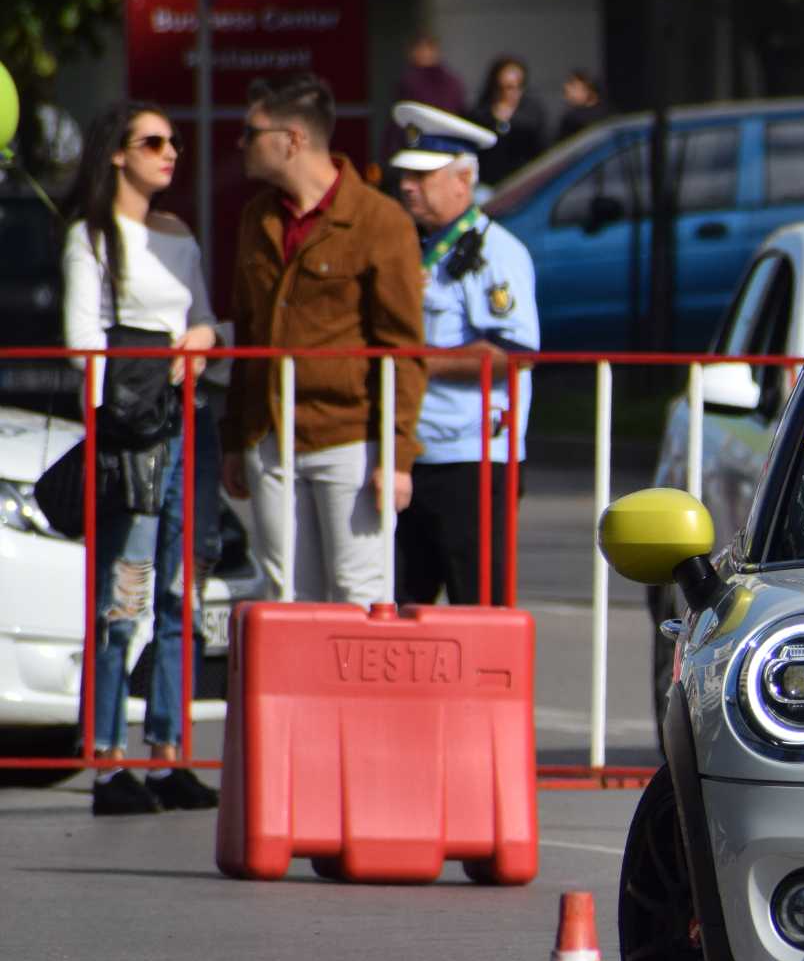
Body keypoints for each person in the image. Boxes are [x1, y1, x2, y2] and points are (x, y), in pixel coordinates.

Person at [59, 100, 222, 815]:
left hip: (192, 423)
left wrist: (205, 339)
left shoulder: (177, 235)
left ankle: (169, 754)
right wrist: (161, 354)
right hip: (134, 437)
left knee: (182, 593)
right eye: (153, 142)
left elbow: (208, 317)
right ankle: (107, 762)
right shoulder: (92, 239)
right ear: (117, 154)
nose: (170, 153)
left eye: (175, 142)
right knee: (123, 598)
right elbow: (79, 347)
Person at [221, 72, 427, 606]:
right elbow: (247, 333)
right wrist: (233, 440)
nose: (239, 143)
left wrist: (397, 455)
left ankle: (356, 696)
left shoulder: (379, 221)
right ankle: (294, 695)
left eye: (250, 132)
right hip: (270, 435)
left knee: (358, 594)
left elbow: (403, 349)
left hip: (348, 438)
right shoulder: (256, 219)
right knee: (284, 595)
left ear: (292, 140)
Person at [387, 102, 539, 606]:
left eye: (423, 176)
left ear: (463, 181)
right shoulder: (407, 243)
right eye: (406, 174)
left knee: (479, 608)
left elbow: (513, 353)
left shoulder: (497, 252)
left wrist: (413, 362)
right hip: (411, 451)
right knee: (401, 608)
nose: (409, 185)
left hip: (472, 458)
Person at [379, 33, 469, 165]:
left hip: (434, 149)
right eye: (418, 49)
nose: (422, 53)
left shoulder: (449, 83)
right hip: (423, 148)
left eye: (426, 48)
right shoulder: (408, 81)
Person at [469, 56, 547, 185]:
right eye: (502, 87)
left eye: (515, 87)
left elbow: (541, 153)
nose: (508, 93)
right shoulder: (480, 114)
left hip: (523, 184)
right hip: (488, 184)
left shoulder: (532, 115)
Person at [556, 69, 611, 141]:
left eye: (574, 88)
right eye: (567, 92)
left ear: (586, 83)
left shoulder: (609, 104)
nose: (571, 95)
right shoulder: (571, 121)